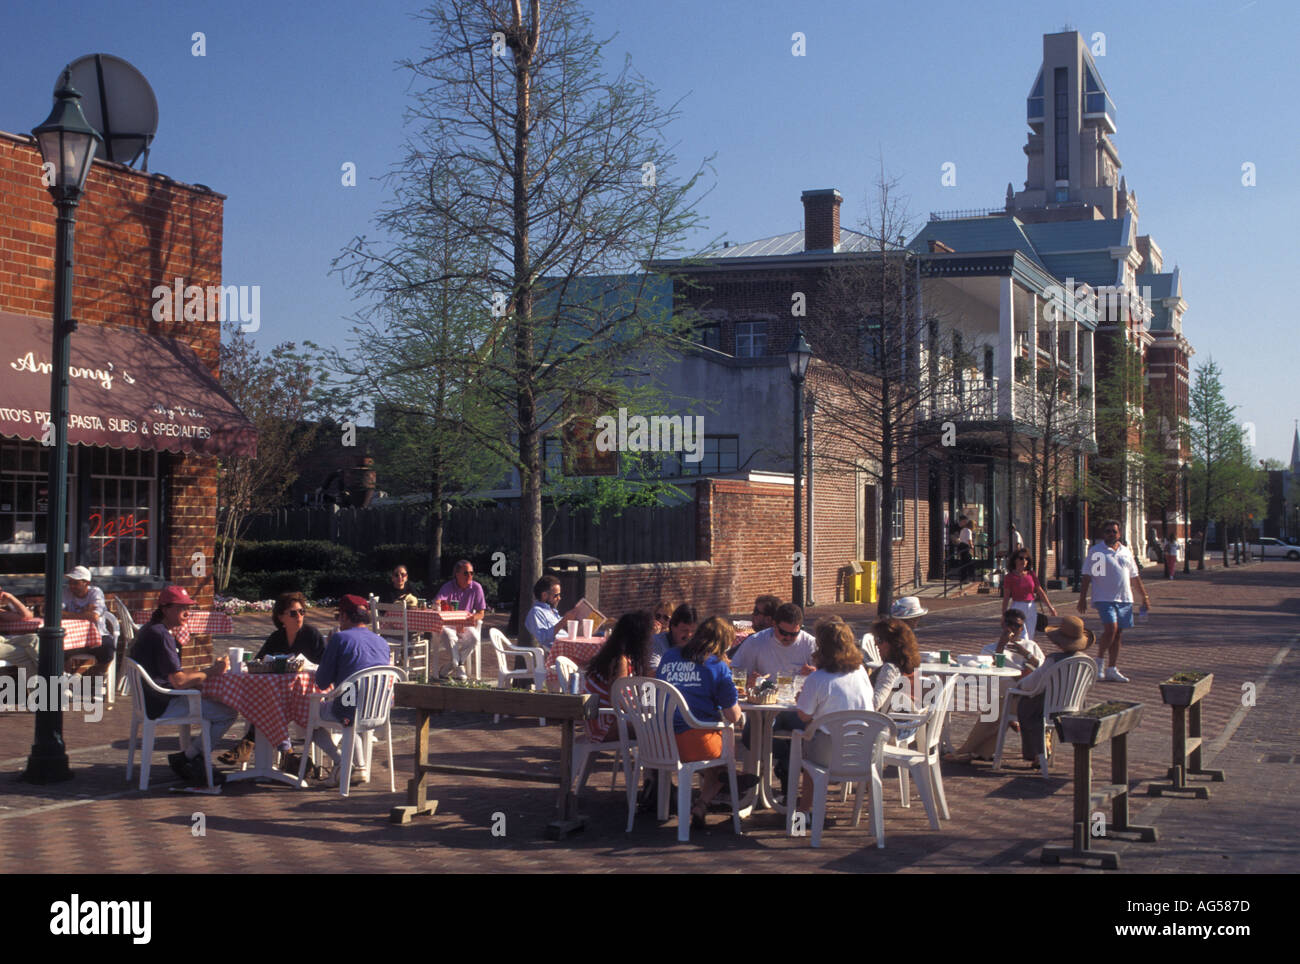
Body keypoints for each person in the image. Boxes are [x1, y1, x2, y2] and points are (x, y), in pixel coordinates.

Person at [128, 586, 237, 789]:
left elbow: (173, 674)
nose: (187, 613)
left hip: (151, 700)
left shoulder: (151, 629)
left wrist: (205, 671)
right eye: (181, 608)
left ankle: (188, 758)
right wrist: (213, 671)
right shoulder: (162, 636)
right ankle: (193, 759)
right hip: (162, 702)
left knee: (209, 701)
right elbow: (178, 682)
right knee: (228, 713)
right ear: (165, 609)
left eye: (189, 608)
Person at [655, 616, 744, 828]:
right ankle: (732, 777)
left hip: (659, 740)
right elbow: (732, 716)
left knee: (717, 757)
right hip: (694, 744)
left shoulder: (669, 656)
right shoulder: (717, 666)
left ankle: (702, 805)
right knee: (726, 750)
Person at [219, 592, 327, 766]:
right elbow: (258, 662)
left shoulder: (311, 635)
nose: (299, 616)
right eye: (293, 613)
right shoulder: (276, 637)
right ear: (281, 617)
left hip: (306, 694)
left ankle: (250, 744)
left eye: (302, 612)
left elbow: (323, 665)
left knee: (267, 701)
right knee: (266, 699)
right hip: (280, 694)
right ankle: (286, 755)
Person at [791, 618, 876, 814]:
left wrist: (800, 699)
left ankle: (803, 814)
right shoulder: (861, 671)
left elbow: (804, 716)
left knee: (808, 746)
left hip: (828, 753)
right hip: (864, 750)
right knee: (818, 735)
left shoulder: (817, 678)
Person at [312, 594, 393, 785]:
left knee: (305, 715)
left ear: (345, 617)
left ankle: (341, 762)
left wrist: (328, 646)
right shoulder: (381, 641)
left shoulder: (340, 638)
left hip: (349, 710)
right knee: (351, 714)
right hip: (380, 711)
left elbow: (322, 682)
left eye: (339, 615)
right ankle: (361, 768)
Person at [946, 609, 1045, 762]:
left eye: (1016, 626)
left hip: (1028, 696)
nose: (1011, 628)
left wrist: (1025, 654)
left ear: (1022, 627)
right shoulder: (989, 648)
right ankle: (979, 752)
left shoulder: (1030, 645)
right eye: (1008, 624)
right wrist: (1001, 645)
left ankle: (966, 752)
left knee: (995, 709)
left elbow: (1042, 668)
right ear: (1002, 624)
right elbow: (987, 668)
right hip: (1003, 693)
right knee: (996, 707)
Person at [1013, 615, 1095, 768]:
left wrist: (1019, 686)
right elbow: (1089, 684)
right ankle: (1045, 749)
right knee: (1036, 703)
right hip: (1075, 707)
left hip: (1049, 710)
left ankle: (1038, 753)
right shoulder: (1086, 661)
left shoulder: (1053, 660)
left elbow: (1032, 684)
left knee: (1025, 705)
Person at [1077, 519, 1151, 683]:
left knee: (1118, 634)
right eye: (1108, 531)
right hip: (1104, 598)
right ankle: (1099, 662)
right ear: (1103, 534)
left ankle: (1112, 668)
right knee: (1111, 628)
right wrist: (1082, 598)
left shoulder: (1125, 551)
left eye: (1114, 531)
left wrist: (1144, 597)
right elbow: (1090, 576)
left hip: (1125, 598)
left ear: (1119, 533)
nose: (1111, 534)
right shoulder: (1098, 552)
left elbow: (1134, 576)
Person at [584, 610, 652, 742]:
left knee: (654, 725)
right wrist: (639, 712)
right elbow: (617, 698)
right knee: (656, 729)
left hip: (603, 719)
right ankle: (653, 762)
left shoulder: (615, 655)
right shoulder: (620, 660)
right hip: (605, 724)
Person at [730, 602, 815, 690]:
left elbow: (826, 677)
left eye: (794, 634)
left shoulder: (810, 643)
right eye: (783, 633)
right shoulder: (756, 641)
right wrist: (748, 681)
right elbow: (736, 672)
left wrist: (816, 673)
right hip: (764, 697)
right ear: (774, 624)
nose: (788, 637)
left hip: (798, 698)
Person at [433, 559, 487, 680]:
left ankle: (454, 665)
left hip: (465, 624)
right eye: (466, 573)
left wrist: (469, 619)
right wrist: (440, 603)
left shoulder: (476, 587)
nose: (469, 576)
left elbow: (481, 613)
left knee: (475, 637)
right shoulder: (448, 586)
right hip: (449, 623)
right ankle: (459, 666)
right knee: (448, 635)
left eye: (471, 573)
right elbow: (437, 602)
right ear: (457, 574)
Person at [62, 566, 117, 676]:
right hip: (72, 637)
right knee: (55, 648)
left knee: (108, 648)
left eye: (76, 583)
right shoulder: (65, 592)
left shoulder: (95, 592)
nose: (72, 586)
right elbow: (58, 614)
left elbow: (94, 617)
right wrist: (84, 613)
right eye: (70, 582)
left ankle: (98, 678)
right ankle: (64, 682)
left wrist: (69, 615)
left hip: (96, 635)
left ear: (86, 583)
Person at [1001, 549, 1058, 640]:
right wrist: (1004, 615)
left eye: (1026, 559)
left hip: (1031, 607)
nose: (1024, 561)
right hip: (1017, 607)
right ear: (1015, 560)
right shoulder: (1010, 577)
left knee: (1030, 636)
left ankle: (1026, 653)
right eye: (1021, 558)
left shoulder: (1031, 574)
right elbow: (1006, 597)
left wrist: (1050, 607)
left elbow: (1040, 591)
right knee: (1022, 636)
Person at [870, 617, 920, 712]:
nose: (876, 644)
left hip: (893, 723)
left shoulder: (890, 669)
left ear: (894, 643)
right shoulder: (908, 667)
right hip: (913, 722)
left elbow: (875, 704)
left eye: (879, 640)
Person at [525, 575, 575, 650]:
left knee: (599, 636)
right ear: (544, 595)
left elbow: (562, 628)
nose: (559, 598)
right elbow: (544, 638)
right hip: (561, 650)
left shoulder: (552, 611)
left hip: (569, 644)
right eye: (556, 595)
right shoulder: (536, 612)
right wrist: (564, 621)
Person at [0, 583, 38, 674]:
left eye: (1, 591)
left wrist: (10, 597)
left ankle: (51, 677)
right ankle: (52, 676)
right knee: (27, 655)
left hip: (3, 640)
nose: (1, 594)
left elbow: (26, 616)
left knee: (34, 638)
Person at [649, 604, 697, 672]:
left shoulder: (697, 645)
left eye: (692, 631)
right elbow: (652, 671)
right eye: (684, 630)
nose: (689, 635)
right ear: (673, 627)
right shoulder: (656, 642)